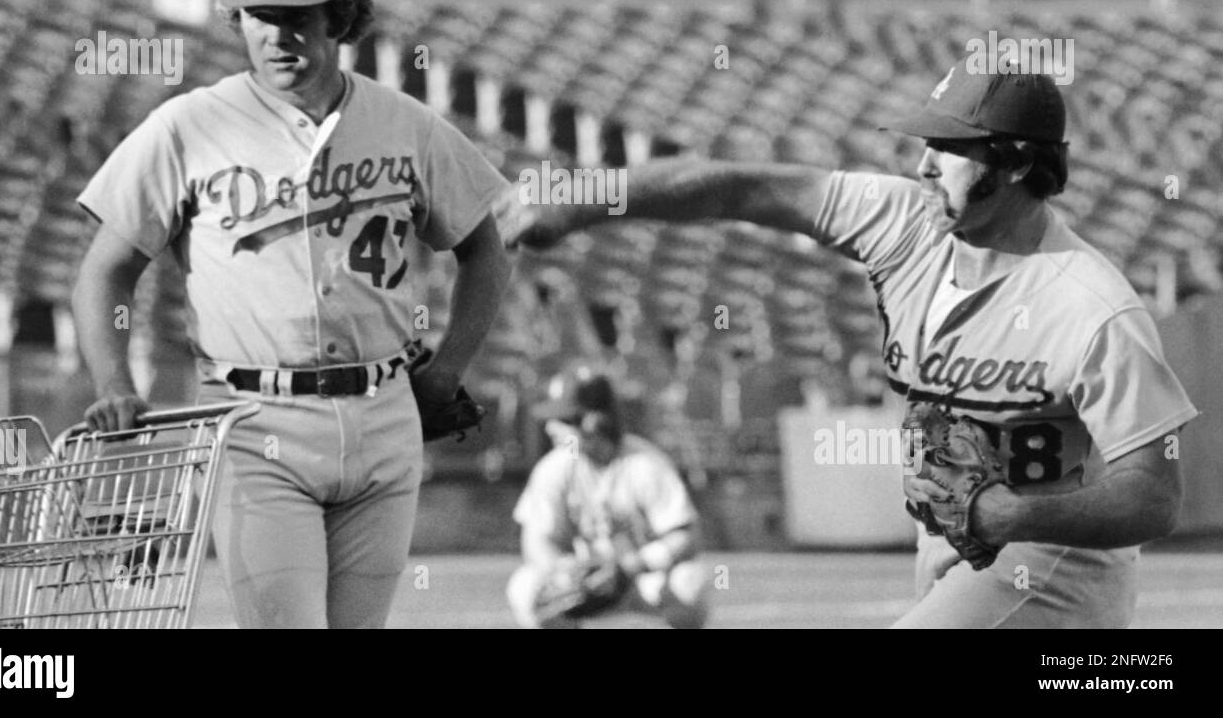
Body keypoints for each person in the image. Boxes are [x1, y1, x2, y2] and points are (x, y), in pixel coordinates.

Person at [499, 59, 1198, 628]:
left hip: (1048, 570)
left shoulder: (1090, 306)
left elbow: (1153, 497)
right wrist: (579, 199)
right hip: (956, 556)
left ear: (1016, 163)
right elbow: (738, 189)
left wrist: (1010, 512)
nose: (924, 164)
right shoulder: (906, 222)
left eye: (949, 149)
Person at [72, 0, 512, 628]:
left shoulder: (405, 122)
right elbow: (104, 271)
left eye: (297, 17)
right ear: (237, 19)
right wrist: (115, 384)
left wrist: (446, 369)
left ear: (338, 16)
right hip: (253, 419)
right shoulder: (189, 126)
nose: (278, 36)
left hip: (383, 414)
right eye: (260, 18)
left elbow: (487, 249)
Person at [507, 371, 709, 629]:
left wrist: (630, 567)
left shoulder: (644, 463)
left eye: (562, 419)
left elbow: (687, 537)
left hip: (641, 580)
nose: (550, 428)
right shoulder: (555, 467)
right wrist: (564, 569)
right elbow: (535, 538)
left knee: (690, 581)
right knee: (524, 587)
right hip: (582, 583)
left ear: (594, 421)